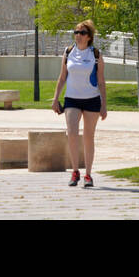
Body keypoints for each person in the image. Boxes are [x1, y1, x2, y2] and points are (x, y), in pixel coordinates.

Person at [51, 19, 107, 187]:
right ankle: (75, 171)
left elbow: (101, 81)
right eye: (76, 32)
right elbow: (62, 78)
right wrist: (55, 98)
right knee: (72, 134)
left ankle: (88, 175)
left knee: (88, 137)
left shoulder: (95, 55)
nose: (78, 36)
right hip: (72, 99)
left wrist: (104, 105)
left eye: (82, 33)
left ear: (89, 36)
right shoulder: (68, 52)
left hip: (92, 99)